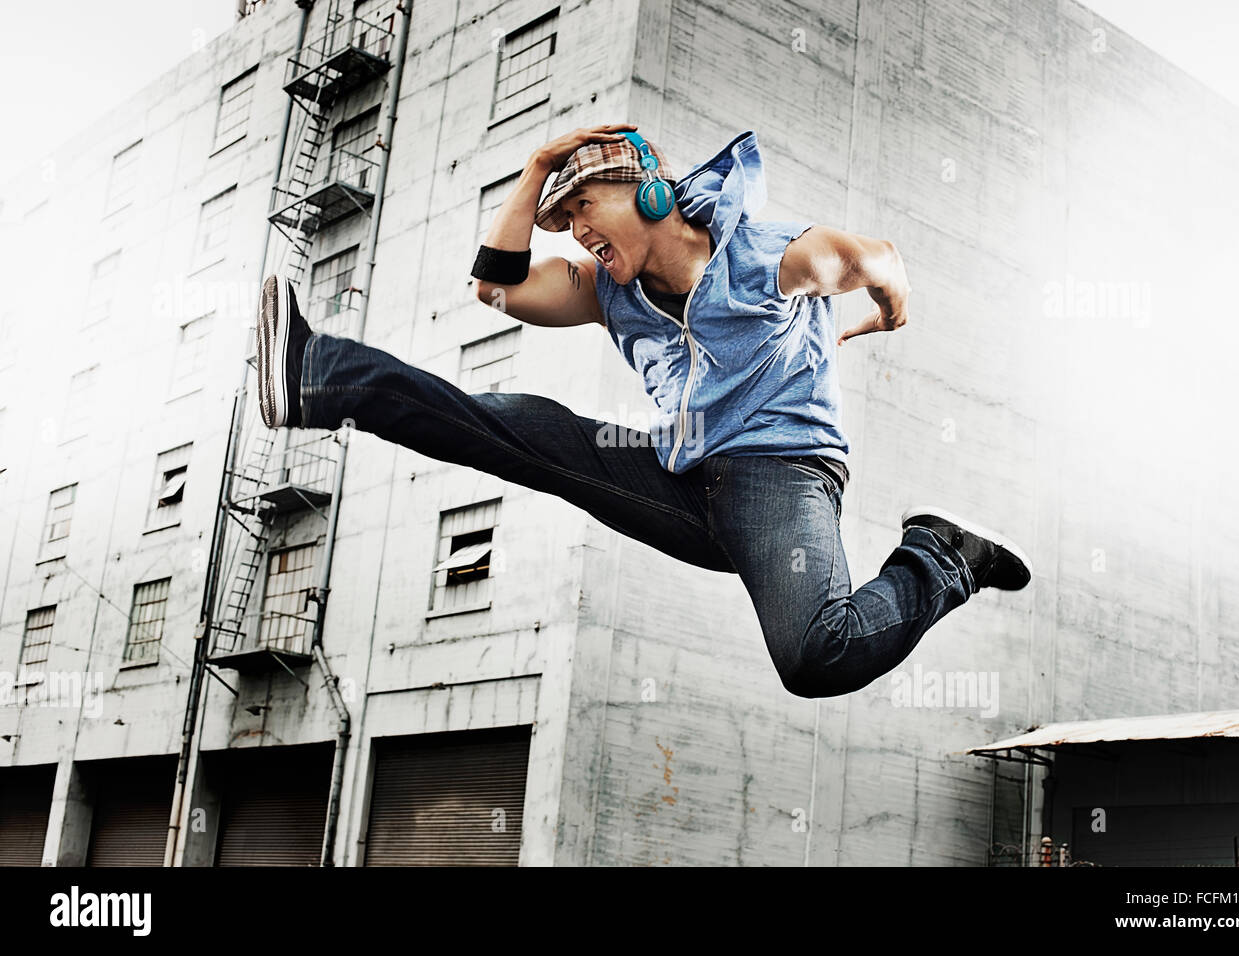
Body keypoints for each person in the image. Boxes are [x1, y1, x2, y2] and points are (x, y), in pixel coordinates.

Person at [255, 122, 1032, 699]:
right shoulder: (607, 293)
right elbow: (497, 288)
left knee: (815, 658)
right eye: (566, 222)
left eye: (586, 207)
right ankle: (318, 374)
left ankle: (944, 554)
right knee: (526, 431)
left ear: (653, 191)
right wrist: (537, 173)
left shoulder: (764, 257)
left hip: (777, 479)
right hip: (682, 474)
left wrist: (888, 310)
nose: (579, 233)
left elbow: (877, 259)